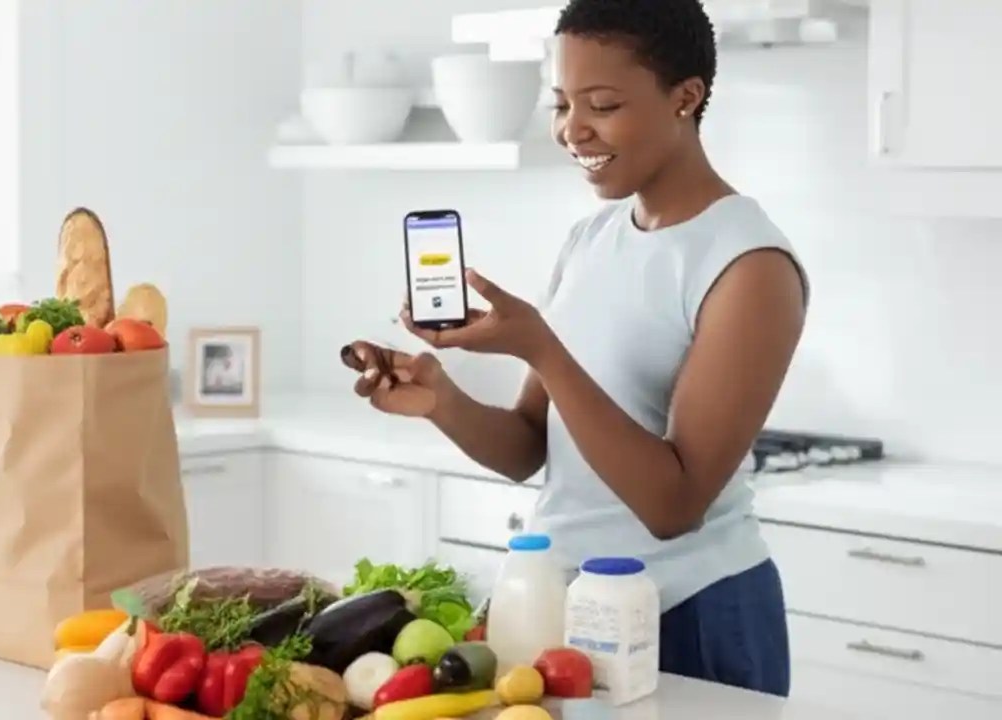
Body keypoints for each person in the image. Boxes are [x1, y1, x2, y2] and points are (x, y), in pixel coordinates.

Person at [345, 0, 808, 698]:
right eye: (561, 103)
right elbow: (531, 447)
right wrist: (441, 400)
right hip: (566, 604)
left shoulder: (749, 265)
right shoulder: (592, 239)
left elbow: (674, 504)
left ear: (686, 97)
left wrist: (543, 349)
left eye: (603, 104)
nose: (571, 129)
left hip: (692, 613)